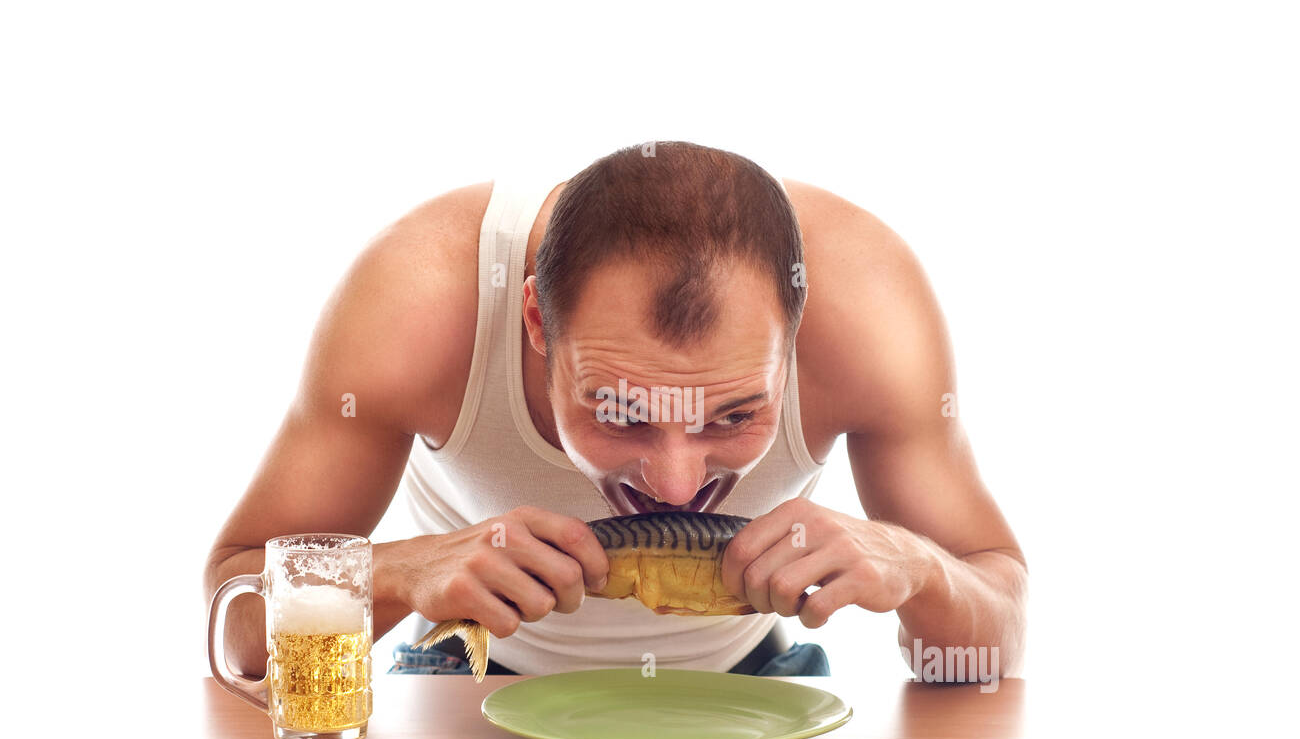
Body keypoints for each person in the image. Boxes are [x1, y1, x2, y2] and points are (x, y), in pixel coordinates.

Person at [205, 140, 1026, 680]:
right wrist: (396, 571)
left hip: (755, 676)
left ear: (800, 335)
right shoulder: (413, 303)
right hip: (465, 670)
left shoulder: (871, 310)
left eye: (733, 416)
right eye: (623, 414)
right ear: (533, 321)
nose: (674, 485)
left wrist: (919, 567)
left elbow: (997, 639)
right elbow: (235, 631)